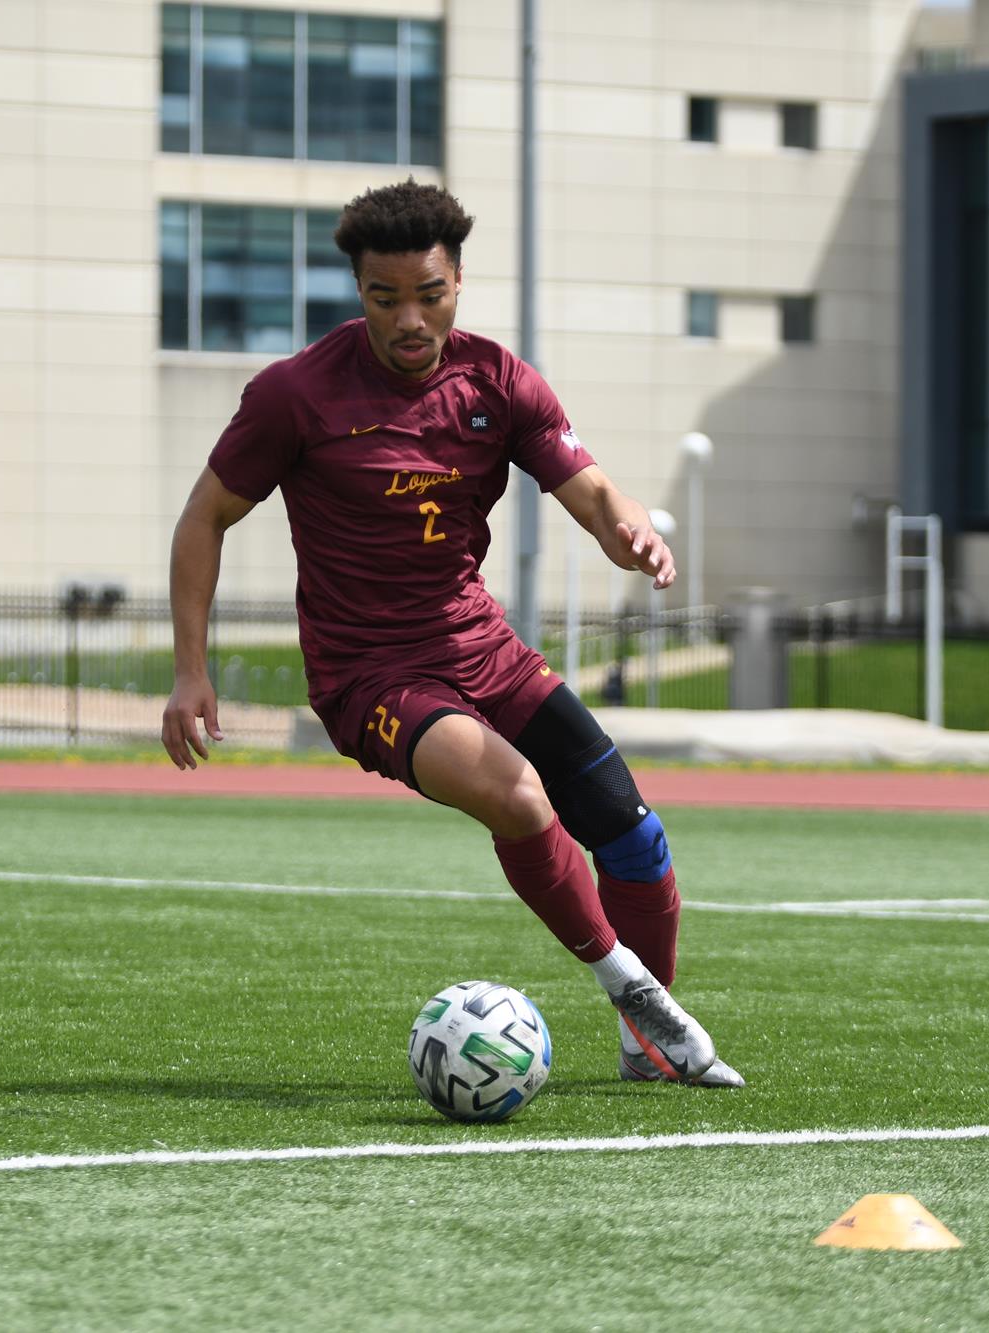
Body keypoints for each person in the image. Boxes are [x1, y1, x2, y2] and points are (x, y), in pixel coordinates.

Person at [161, 180, 740, 1088]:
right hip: (371, 677)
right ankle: (629, 985)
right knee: (516, 794)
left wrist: (627, 530)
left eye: (428, 294)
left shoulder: (496, 381)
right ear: (358, 293)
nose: (408, 319)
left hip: (485, 651)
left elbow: (587, 486)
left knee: (637, 839)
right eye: (385, 298)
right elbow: (203, 518)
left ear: (458, 282)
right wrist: (190, 671)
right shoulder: (295, 395)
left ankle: (646, 1048)